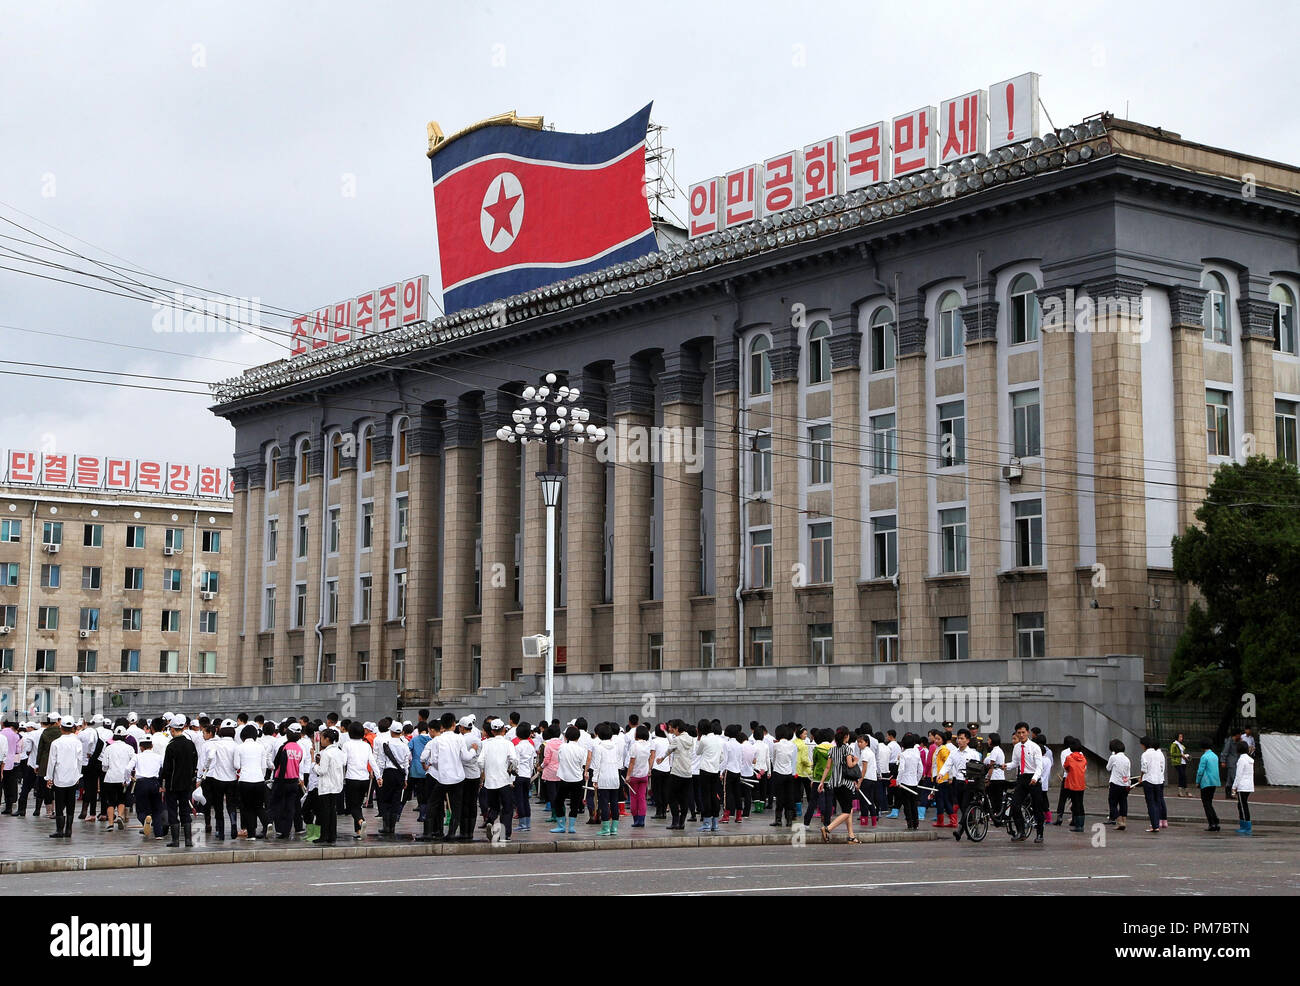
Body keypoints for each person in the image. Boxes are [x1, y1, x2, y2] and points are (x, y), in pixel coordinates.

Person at [817, 726, 861, 844]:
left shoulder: (832, 750)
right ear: (846, 736)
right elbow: (850, 765)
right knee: (846, 811)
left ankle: (851, 836)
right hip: (845, 784)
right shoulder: (847, 749)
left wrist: (821, 782)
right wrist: (856, 760)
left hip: (834, 783)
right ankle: (827, 829)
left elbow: (827, 768)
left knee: (849, 810)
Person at [160, 714, 198, 848]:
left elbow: (166, 767)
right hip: (186, 784)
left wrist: (162, 783)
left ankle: (175, 840)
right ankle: (188, 840)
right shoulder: (190, 744)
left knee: (172, 811)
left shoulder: (171, 746)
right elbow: (195, 763)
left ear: (173, 729)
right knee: (185, 810)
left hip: (172, 784)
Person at [478, 718, 519, 841]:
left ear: (492, 731)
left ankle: (490, 820)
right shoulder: (508, 744)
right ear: (504, 730)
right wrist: (511, 772)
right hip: (504, 781)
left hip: (490, 782)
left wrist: (486, 771)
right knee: (507, 809)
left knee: (494, 806)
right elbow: (514, 760)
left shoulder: (486, 744)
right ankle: (504, 834)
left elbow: (480, 761)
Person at [1007, 722, 1045, 843]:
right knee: (1015, 805)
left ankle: (1040, 833)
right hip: (1022, 778)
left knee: (1037, 807)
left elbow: (1040, 766)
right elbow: (1014, 763)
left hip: (1033, 778)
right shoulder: (1017, 747)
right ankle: (1021, 832)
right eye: (1019, 733)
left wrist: (1035, 778)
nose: (1021, 735)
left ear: (1028, 732)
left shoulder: (1035, 747)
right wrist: (1005, 766)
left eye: (1023, 732)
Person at [45, 717, 82, 839]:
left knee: (60, 804)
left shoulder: (56, 743)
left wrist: (49, 777)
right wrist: (78, 775)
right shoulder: (77, 742)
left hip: (59, 777)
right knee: (71, 803)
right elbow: (79, 760)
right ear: (72, 728)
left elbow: (51, 762)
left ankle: (59, 830)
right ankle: (69, 829)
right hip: (73, 777)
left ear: (61, 728)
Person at [202, 720, 239, 841]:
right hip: (232, 778)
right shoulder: (235, 745)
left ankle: (221, 832)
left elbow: (211, 756)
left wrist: (206, 767)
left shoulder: (217, 744)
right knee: (231, 804)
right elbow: (237, 765)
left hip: (218, 778)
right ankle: (234, 824)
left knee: (218, 806)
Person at [269, 722, 308, 839]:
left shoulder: (284, 747)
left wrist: (278, 782)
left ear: (288, 733)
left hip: (282, 780)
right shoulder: (299, 749)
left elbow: (278, 764)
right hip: (294, 781)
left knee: (278, 805)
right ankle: (286, 831)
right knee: (290, 807)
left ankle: (280, 830)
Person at [373, 721, 411, 837]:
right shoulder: (405, 745)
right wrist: (405, 778)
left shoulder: (387, 743)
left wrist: (379, 776)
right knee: (396, 800)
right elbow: (406, 764)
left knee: (385, 800)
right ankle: (392, 827)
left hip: (388, 773)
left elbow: (381, 762)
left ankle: (386, 826)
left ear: (391, 731)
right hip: (400, 775)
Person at [341, 721, 377, 841]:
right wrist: (379, 776)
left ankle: (361, 821)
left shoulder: (347, 745)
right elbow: (372, 761)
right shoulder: (366, 745)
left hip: (352, 778)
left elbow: (343, 762)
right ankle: (358, 831)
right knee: (358, 805)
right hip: (364, 779)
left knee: (352, 806)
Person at [310, 728, 345, 845]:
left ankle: (324, 835)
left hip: (326, 786)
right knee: (332, 811)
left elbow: (321, 771)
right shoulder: (339, 752)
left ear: (327, 739)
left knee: (324, 812)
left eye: (322, 738)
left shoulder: (326, 753)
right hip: (336, 785)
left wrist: (314, 764)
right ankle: (332, 835)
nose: (320, 741)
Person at [550, 725, 588, 834]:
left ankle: (561, 825)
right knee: (575, 803)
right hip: (577, 779)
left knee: (559, 801)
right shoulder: (582, 750)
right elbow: (582, 764)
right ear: (578, 737)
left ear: (566, 736)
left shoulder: (562, 747)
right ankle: (571, 827)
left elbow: (559, 759)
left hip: (564, 779)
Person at [236, 723, 270, 839]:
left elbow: (236, 765)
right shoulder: (260, 747)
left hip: (245, 780)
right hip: (259, 780)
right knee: (259, 806)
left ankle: (251, 835)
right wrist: (261, 776)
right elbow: (264, 766)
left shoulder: (239, 747)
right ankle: (267, 823)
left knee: (247, 808)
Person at [660, 719, 696, 830]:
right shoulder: (690, 739)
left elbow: (669, 749)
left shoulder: (677, 739)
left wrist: (662, 758)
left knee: (671, 797)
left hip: (677, 772)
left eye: (672, 728)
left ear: (677, 728)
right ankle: (682, 822)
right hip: (688, 773)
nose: (671, 730)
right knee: (684, 798)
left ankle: (675, 821)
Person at [99, 726, 135, 831]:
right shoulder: (129, 748)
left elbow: (104, 765)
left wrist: (108, 769)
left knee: (110, 801)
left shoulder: (109, 748)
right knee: (121, 799)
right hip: (123, 778)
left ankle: (110, 823)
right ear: (125, 736)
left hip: (110, 778)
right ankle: (119, 815)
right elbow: (133, 763)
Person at [591, 723, 622, 836]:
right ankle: (614, 828)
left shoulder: (598, 747)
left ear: (599, 734)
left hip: (603, 778)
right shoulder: (616, 746)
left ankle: (605, 828)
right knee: (614, 803)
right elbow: (619, 762)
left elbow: (596, 765)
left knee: (604, 803)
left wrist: (594, 779)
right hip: (615, 777)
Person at [132, 733, 165, 839]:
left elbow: (128, 768)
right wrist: (162, 783)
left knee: (141, 810)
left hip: (141, 783)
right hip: (154, 783)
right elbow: (164, 770)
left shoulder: (137, 756)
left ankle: (146, 820)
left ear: (141, 746)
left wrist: (128, 778)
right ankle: (158, 834)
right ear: (152, 746)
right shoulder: (158, 757)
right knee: (157, 809)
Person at [1137, 736, 1167, 834]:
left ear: (1143, 745)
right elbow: (1162, 767)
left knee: (1150, 803)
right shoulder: (1158, 753)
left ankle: (1154, 826)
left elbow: (1144, 769)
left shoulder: (1145, 754)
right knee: (1157, 803)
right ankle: (1156, 825)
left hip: (1148, 780)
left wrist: (1141, 777)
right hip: (1158, 780)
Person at [895, 734, 923, 831]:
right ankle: (916, 823)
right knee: (914, 804)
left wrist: (898, 781)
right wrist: (917, 779)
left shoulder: (903, 754)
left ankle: (909, 823)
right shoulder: (917, 753)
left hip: (904, 783)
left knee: (906, 804)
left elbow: (901, 769)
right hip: (914, 782)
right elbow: (920, 769)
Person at [625, 724, 651, 828]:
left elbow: (631, 763)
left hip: (634, 775)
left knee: (634, 798)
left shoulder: (634, 746)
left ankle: (636, 820)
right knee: (642, 798)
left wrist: (628, 775)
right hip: (644, 775)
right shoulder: (648, 745)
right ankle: (642, 820)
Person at [513, 722, 536, 832]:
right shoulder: (531, 747)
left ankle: (522, 824)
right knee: (526, 799)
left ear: (518, 734)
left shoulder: (517, 747)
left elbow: (515, 763)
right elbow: (532, 763)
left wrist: (512, 778)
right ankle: (527, 823)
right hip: (527, 775)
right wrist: (530, 774)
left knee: (519, 800)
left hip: (519, 776)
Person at [1195, 737, 1221, 832]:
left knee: (1206, 803)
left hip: (1206, 782)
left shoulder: (1204, 757)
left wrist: (1197, 781)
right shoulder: (1215, 756)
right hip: (1214, 782)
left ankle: (1212, 823)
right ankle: (1215, 821)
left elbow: (1200, 771)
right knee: (1209, 802)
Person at [1061, 739, 1087, 832]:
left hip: (1072, 783)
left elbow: (1065, 767)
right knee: (1080, 803)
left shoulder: (1069, 758)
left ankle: (1077, 825)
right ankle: (1081, 824)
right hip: (1081, 783)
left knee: (1075, 804)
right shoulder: (1083, 758)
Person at [1106, 739, 1130, 830]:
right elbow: (1128, 772)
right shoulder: (1127, 759)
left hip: (1115, 783)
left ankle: (1119, 822)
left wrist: (1112, 756)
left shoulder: (1113, 757)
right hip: (1125, 784)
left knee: (1112, 803)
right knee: (1123, 802)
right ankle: (1124, 821)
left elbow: (1108, 768)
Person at [1232, 740, 1254, 836]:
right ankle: (1245, 825)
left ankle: (1246, 826)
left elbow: (1238, 775)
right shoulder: (1249, 760)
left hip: (1242, 786)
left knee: (1242, 806)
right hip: (1249, 785)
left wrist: (1234, 787)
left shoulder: (1241, 760)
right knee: (1242, 805)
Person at [650, 723, 671, 820]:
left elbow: (652, 756)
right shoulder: (668, 741)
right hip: (667, 769)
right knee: (665, 791)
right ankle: (664, 811)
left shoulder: (655, 741)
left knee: (656, 791)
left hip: (657, 768)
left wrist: (649, 768)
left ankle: (659, 812)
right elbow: (669, 755)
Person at [1220, 730, 1242, 802]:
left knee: (1229, 779)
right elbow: (1225, 751)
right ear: (1236, 735)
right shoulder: (1229, 742)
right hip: (1231, 762)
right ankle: (1237, 793)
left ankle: (1228, 794)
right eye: (1239, 735)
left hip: (1235, 761)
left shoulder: (1236, 742)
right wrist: (1223, 760)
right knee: (1234, 778)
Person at [1170, 733, 1188, 797]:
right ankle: (1183, 791)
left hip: (1183, 762)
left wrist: (1185, 756)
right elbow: (1172, 753)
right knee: (1182, 775)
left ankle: (1184, 791)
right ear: (1177, 737)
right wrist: (1181, 755)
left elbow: (1183, 752)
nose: (1181, 738)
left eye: (1182, 737)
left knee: (1183, 776)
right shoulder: (1174, 744)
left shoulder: (1181, 745)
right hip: (1177, 762)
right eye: (1180, 737)